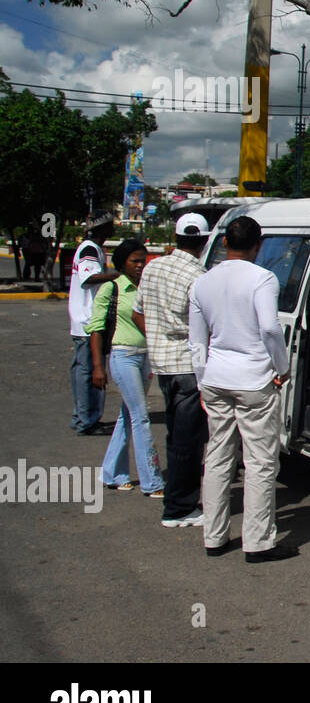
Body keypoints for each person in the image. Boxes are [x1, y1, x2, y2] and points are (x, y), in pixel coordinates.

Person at [189, 216, 297, 562]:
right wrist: (282, 367)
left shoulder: (202, 283)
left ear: (223, 243)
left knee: (218, 457)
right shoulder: (263, 278)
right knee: (260, 462)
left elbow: (196, 342)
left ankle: (214, 536)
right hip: (253, 380)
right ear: (258, 246)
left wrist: (201, 380)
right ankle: (258, 542)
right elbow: (269, 328)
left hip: (215, 378)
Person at [132, 213, 210, 527]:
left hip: (163, 365)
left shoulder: (153, 267)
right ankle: (180, 508)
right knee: (188, 441)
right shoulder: (199, 275)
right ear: (204, 241)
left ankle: (176, 499)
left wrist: (157, 337)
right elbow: (204, 327)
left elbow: (139, 312)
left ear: (176, 238)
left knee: (175, 435)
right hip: (189, 366)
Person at [90, 238, 165, 495]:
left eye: (143, 261)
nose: (140, 266)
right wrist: (98, 367)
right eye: (135, 261)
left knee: (128, 417)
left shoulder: (146, 288)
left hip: (145, 357)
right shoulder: (111, 289)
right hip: (123, 356)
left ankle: (112, 472)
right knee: (141, 417)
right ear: (122, 263)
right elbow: (96, 330)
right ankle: (152, 481)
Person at [68, 212, 117, 436]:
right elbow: (89, 278)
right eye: (110, 225)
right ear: (101, 229)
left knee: (82, 369)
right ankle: (87, 420)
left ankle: (82, 416)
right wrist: (118, 275)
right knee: (89, 371)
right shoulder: (89, 249)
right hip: (88, 320)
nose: (113, 228)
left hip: (84, 319)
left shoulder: (92, 248)